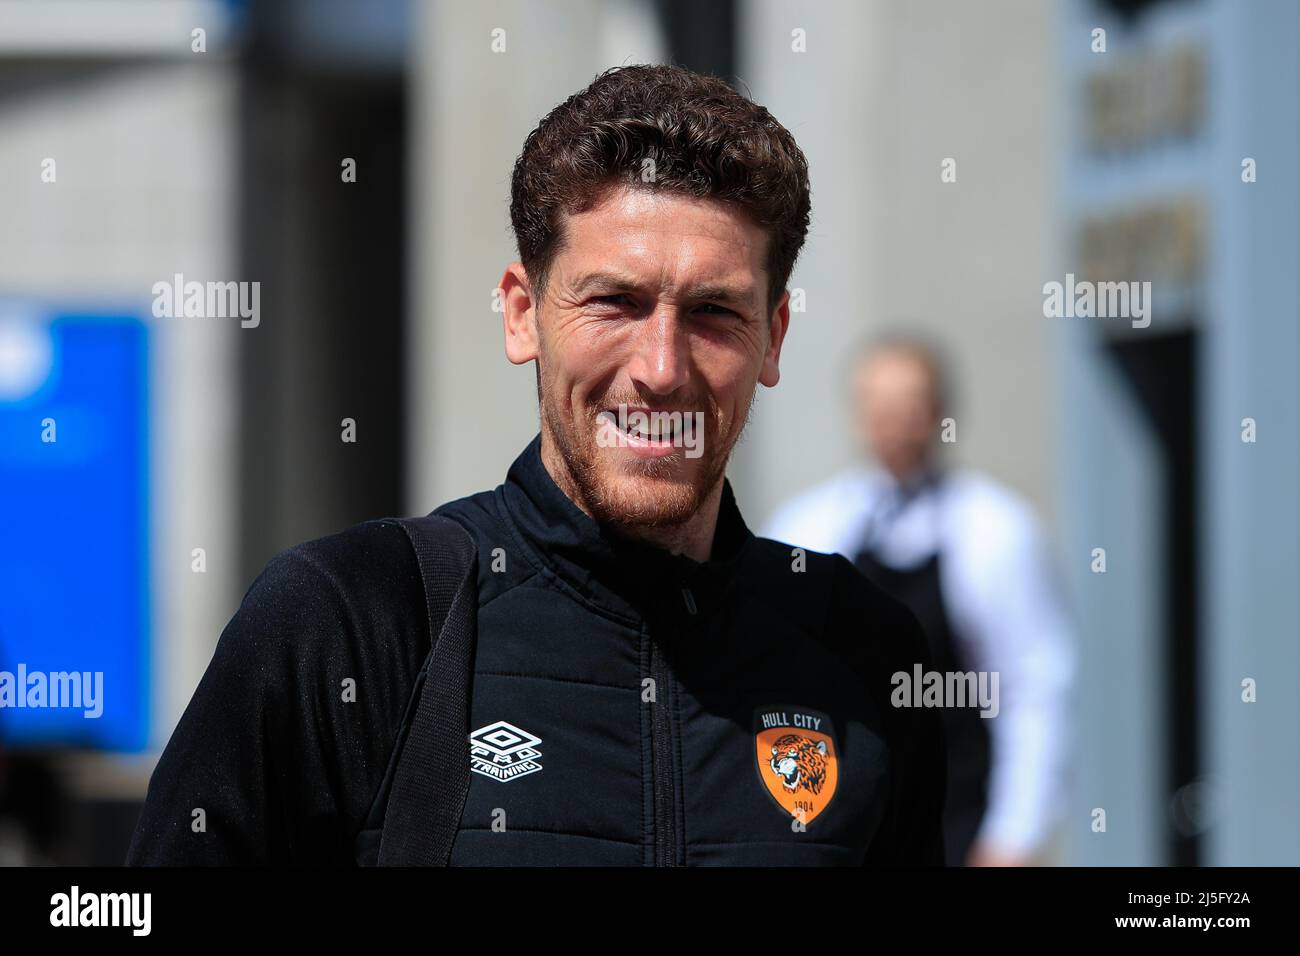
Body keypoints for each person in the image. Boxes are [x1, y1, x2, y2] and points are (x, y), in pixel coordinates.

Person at [126, 64, 945, 867]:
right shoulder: (350, 622)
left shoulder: (859, 651)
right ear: (523, 316)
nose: (661, 367)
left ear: (772, 338)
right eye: (614, 302)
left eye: (713, 313)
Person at [763, 336, 1075, 867]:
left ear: (940, 412)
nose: (896, 422)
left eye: (911, 404)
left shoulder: (996, 530)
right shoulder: (806, 529)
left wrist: (1014, 837)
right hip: (838, 825)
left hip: (959, 821)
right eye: (879, 405)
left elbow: (1036, 687)